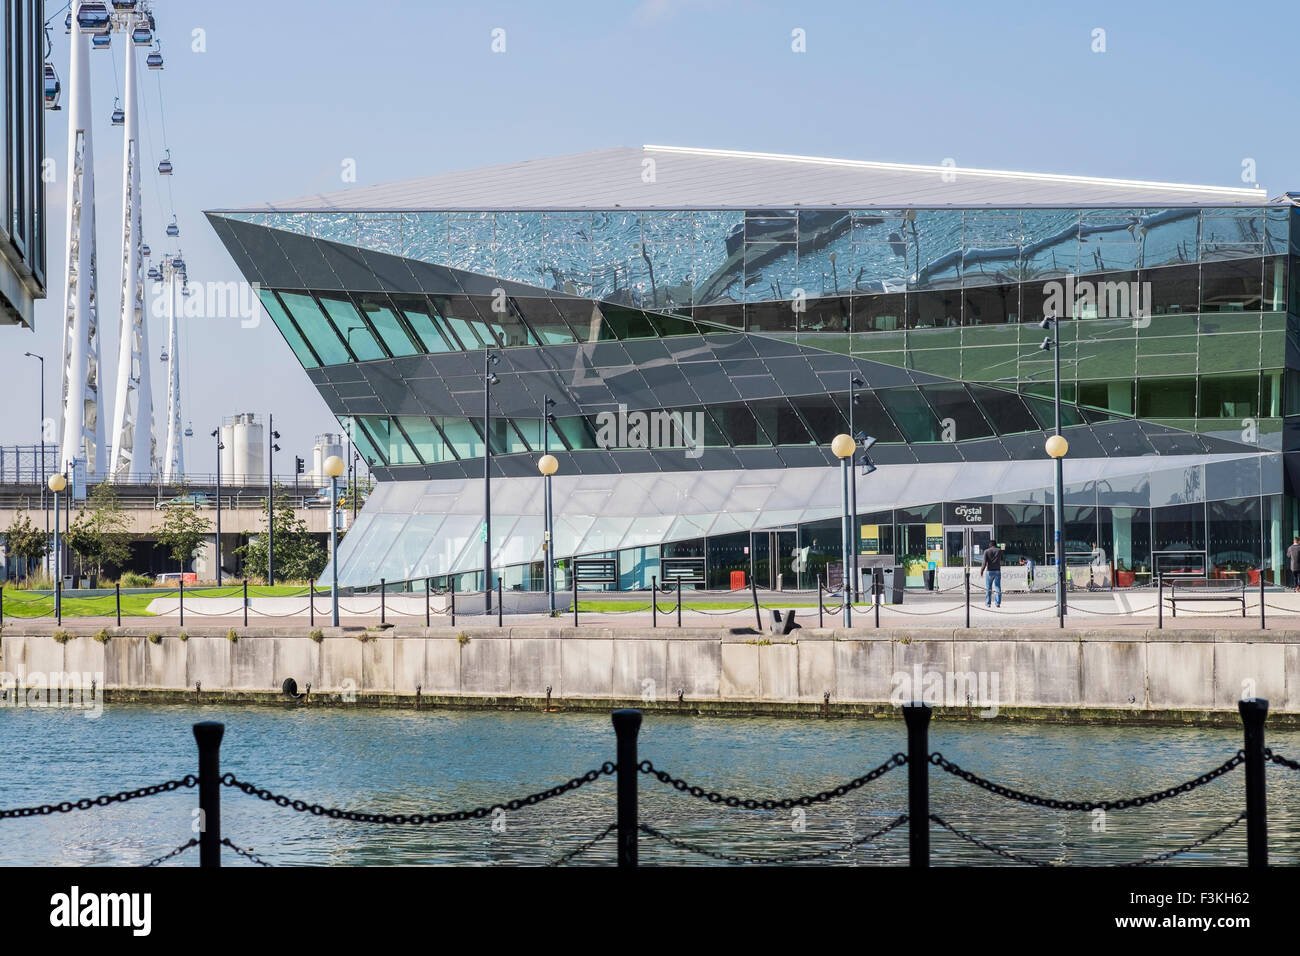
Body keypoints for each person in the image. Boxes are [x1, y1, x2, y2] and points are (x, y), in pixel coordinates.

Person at [980, 541, 1004, 608]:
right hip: (997, 570)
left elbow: (984, 563)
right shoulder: (999, 551)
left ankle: (988, 603)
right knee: (997, 587)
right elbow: (1002, 559)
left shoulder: (986, 551)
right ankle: (998, 603)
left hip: (989, 571)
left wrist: (981, 570)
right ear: (996, 545)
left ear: (990, 545)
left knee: (988, 587)